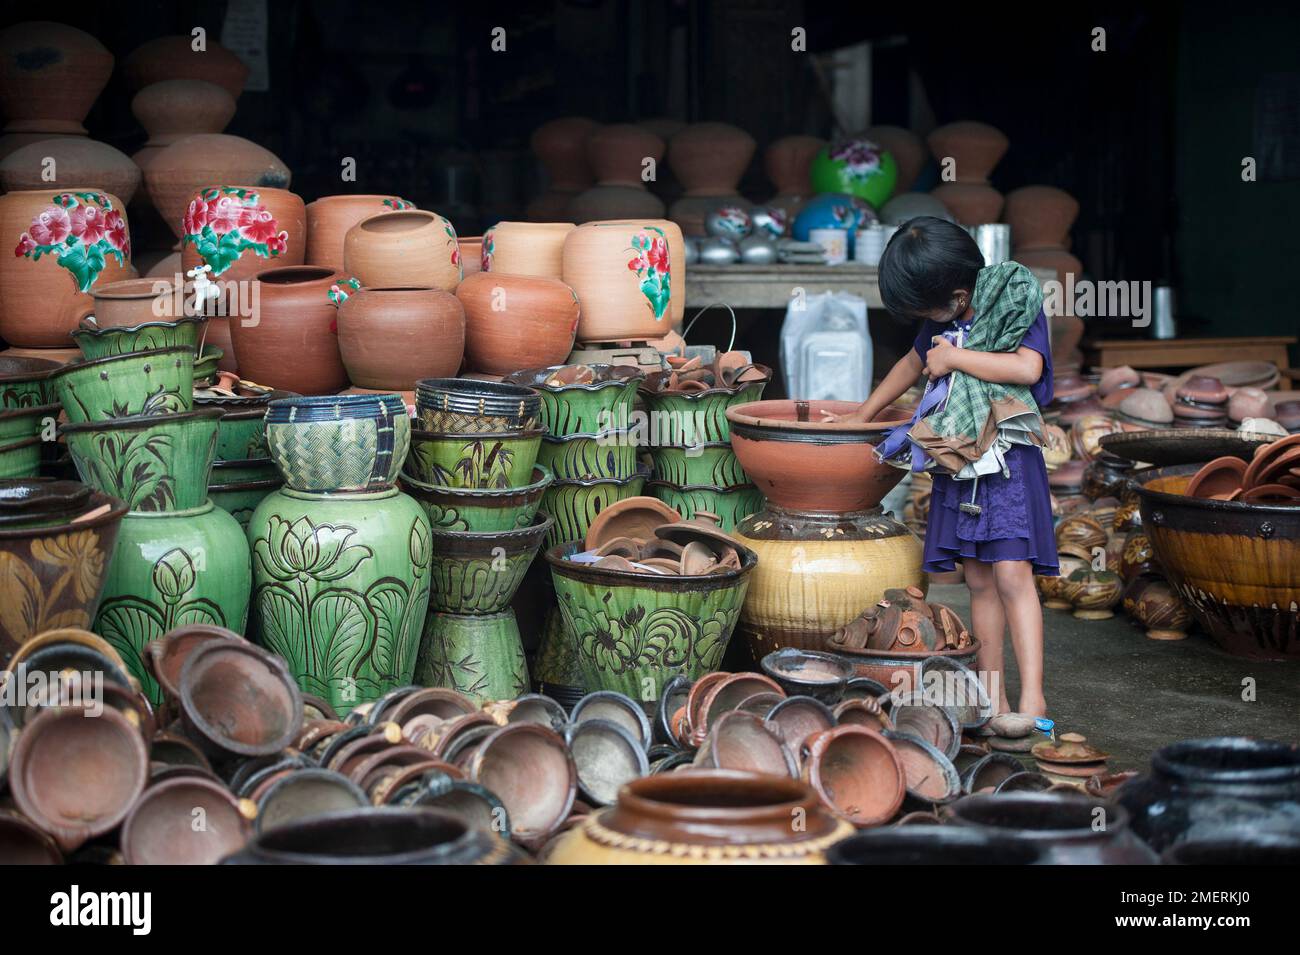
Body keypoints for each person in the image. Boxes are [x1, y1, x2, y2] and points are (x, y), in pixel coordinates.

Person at [831, 216, 1057, 717]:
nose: (924, 320)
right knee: (977, 580)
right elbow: (913, 364)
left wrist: (956, 359)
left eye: (924, 309)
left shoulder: (1012, 302)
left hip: (1007, 459)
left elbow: (1027, 368)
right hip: (957, 458)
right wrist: (862, 416)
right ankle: (993, 697)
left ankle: (1034, 699)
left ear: (958, 295)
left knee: (1013, 574)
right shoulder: (941, 319)